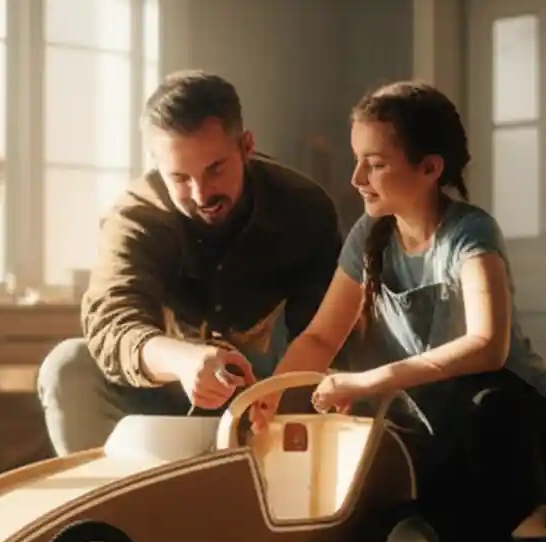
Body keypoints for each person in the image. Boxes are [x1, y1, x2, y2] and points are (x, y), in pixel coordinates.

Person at [250, 81, 546, 542]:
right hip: (440, 423)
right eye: (357, 162)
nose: (356, 180)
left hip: (525, 424)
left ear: (428, 168)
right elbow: (322, 336)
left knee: (485, 405)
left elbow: (487, 345)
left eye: (374, 164)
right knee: (423, 471)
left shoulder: (470, 233)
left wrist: (376, 378)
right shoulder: (369, 237)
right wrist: (269, 395)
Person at [37, 70, 342, 455]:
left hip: (273, 392)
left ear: (247, 146)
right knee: (68, 367)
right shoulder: (136, 216)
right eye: (179, 178)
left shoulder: (303, 207)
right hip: (165, 392)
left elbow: (324, 331)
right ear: (155, 164)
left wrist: (272, 394)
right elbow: (112, 322)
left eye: (215, 169)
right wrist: (182, 361)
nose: (201, 195)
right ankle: (107, 510)